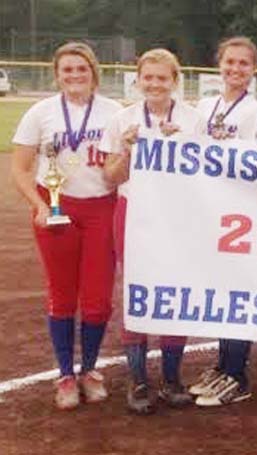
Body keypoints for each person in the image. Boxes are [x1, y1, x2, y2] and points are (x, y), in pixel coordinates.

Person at [10, 42, 121, 410]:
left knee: (97, 298)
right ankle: (65, 375)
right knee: (62, 293)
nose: (74, 75)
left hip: (101, 208)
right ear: (57, 74)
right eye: (67, 70)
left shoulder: (113, 112)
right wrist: (40, 205)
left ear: (93, 72)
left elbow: (122, 166)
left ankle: (89, 369)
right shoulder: (41, 113)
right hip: (56, 207)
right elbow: (20, 168)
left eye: (81, 68)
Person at [102, 48, 204, 414]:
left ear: (174, 81)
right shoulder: (122, 119)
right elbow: (110, 177)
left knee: (175, 289)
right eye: (149, 77)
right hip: (133, 209)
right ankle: (138, 378)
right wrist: (128, 150)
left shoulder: (193, 119)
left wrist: (181, 146)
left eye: (162, 78)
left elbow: (207, 175)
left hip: (178, 213)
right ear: (138, 79)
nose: (155, 84)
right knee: (136, 287)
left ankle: (172, 377)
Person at [190, 36, 257, 407]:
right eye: (230, 62)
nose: (235, 70)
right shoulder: (206, 105)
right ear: (219, 64)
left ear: (254, 69)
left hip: (242, 211)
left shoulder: (255, 110)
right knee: (220, 291)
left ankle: (238, 374)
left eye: (244, 64)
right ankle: (223, 366)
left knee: (238, 291)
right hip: (212, 209)